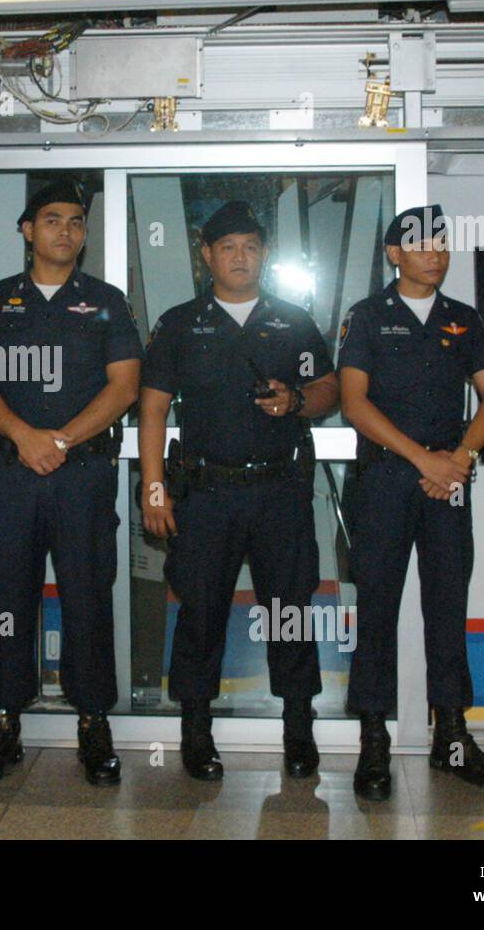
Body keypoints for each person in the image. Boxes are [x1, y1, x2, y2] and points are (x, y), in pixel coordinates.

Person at [139, 200, 339, 780]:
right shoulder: (180, 323)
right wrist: (154, 488)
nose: (240, 257)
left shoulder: (292, 320)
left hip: (279, 491)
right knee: (200, 611)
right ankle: (196, 731)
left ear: (265, 253)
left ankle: (298, 728)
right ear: (206, 256)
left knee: (289, 611)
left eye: (250, 246)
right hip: (205, 494)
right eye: (227, 248)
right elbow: (152, 408)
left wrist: (297, 400)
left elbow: (328, 387)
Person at [0, 178, 142, 786]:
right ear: (27, 229)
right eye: (53, 220)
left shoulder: (108, 301)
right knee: (8, 598)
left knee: (88, 596)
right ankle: (4, 722)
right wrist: (24, 436)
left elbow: (124, 386)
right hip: (12, 474)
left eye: (76, 222)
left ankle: (93, 723)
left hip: (83, 475)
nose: (66, 231)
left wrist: (60, 439)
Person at [337, 204, 484, 801]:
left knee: (447, 606)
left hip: (449, 481)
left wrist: (457, 459)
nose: (435, 253)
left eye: (442, 243)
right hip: (386, 480)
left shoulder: (462, 319)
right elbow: (354, 404)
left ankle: (452, 740)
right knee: (377, 609)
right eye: (422, 244)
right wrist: (422, 459)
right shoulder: (367, 317)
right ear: (394, 254)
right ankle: (374, 742)